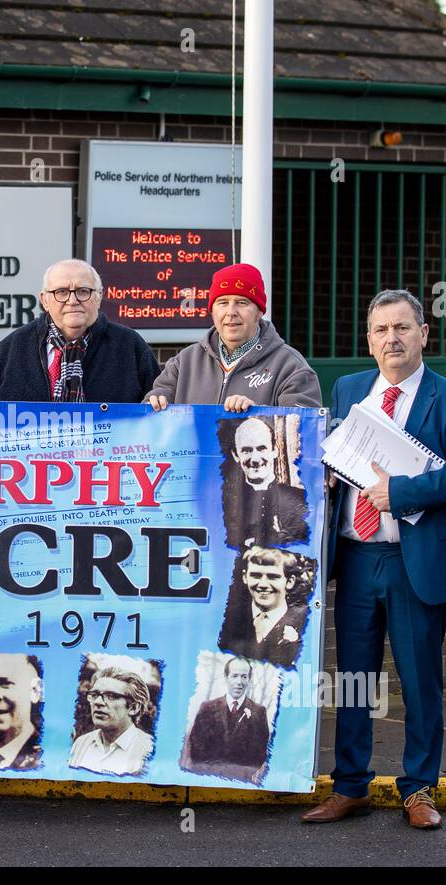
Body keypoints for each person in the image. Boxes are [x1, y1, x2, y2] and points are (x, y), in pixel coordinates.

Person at [302, 289, 446, 830]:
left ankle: (419, 789)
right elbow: (333, 454)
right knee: (354, 677)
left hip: (414, 561)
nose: (392, 339)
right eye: (381, 330)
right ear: (369, 339)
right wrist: (328, 473)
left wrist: (402, 492)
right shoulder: (350, 389)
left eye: (403, 328)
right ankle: (351, 786)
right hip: (357, 557)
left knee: (418, 678)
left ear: (424, 334)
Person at [0, 258, 160, 403]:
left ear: (98, 297)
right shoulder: (12, 348)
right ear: (45, 300)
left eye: (83, 291)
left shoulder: (129, 345)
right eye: (61, 292)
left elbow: (158, 409)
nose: (72, 300)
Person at [146, 262, 322, 411]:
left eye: (242, 303)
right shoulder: (184, 363)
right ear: (212, 311)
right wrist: (152, 403)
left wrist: (258, 416)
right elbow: (150, 417)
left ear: (259, 311)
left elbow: (304, 433)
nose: (231, 312)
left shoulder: (291, 367)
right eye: (222, 303)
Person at [219, 415, 310, 547]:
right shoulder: (224, 505)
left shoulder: (300, 498)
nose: (255, 459)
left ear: (275, 451)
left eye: (262, 449)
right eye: (246, 451)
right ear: (236, 455)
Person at [218, 544, 311, 668]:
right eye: (256, 576)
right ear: (245, 577)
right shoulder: (229, 619)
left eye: (273, 577)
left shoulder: (305, 621)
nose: (263, 584)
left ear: (289, 582)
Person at [182, 656, 269, 782]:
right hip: (208, 779)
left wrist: (238, 774)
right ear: (226, 678)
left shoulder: (258, 712)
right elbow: (196, 747)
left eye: (244, 676)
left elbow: (259, 753)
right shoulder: (207, 708)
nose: (239, 682)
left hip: (241, 782)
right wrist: (212, 772)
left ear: (249, 680)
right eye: (235, 676)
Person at [68, 667, 156, 776]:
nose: (98, 702)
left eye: (111, 696)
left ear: (134, 708)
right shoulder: (81, 743)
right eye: (94, 695)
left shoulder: (149, 749)